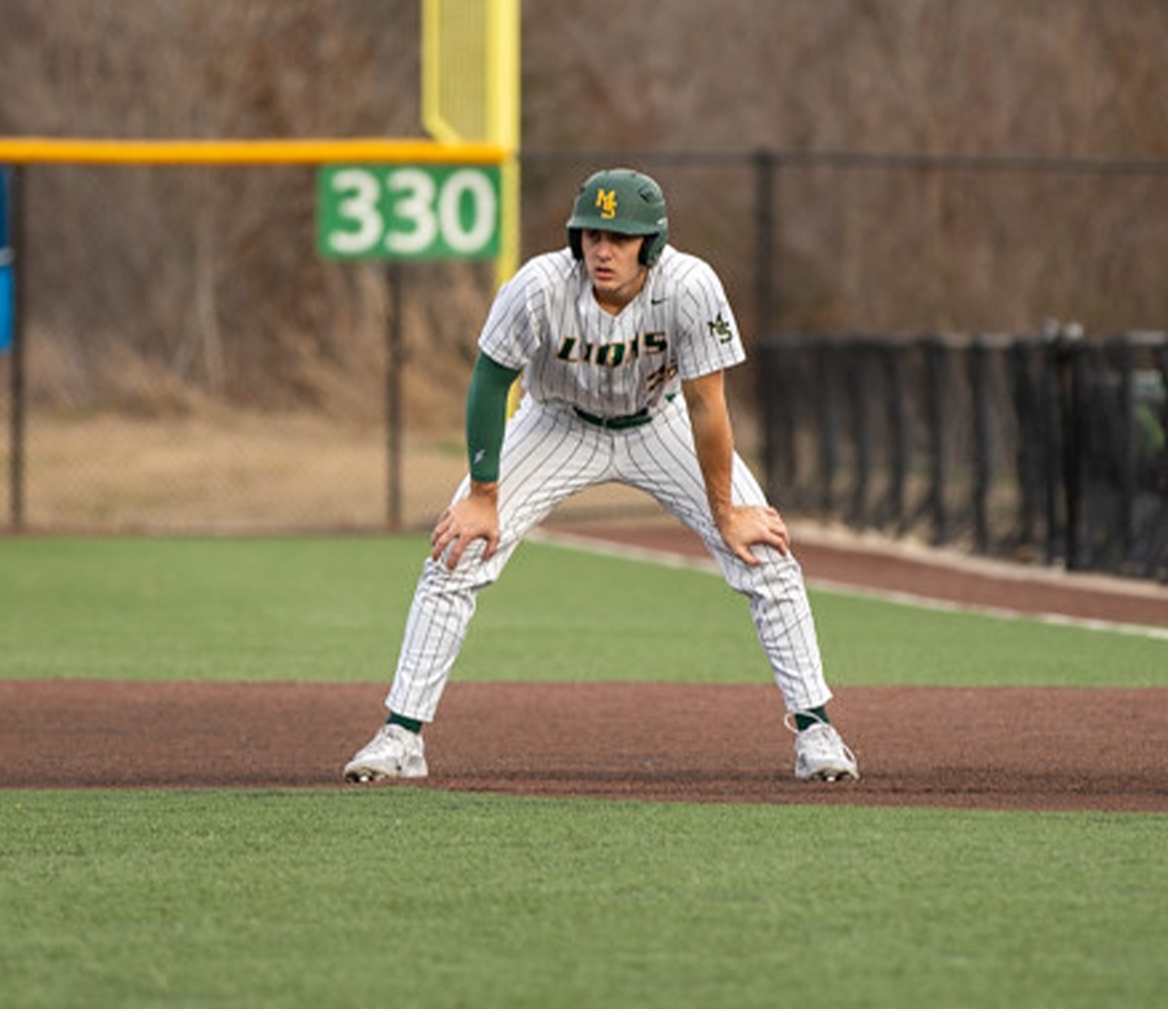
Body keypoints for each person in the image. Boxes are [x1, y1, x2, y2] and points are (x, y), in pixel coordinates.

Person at [343, 168, 858, 783]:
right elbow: (489, 379)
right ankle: (402, 736)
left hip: (657, 424)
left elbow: (707, 405)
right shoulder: (538, 286)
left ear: (652, 243)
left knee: (764, 553)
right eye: (591, 234)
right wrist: (484, 494)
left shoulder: (691, 287)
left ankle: (816, 730)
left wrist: (727, 513)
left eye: (620, 236)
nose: (602, 250)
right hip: (556, 423)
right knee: (456, 552)